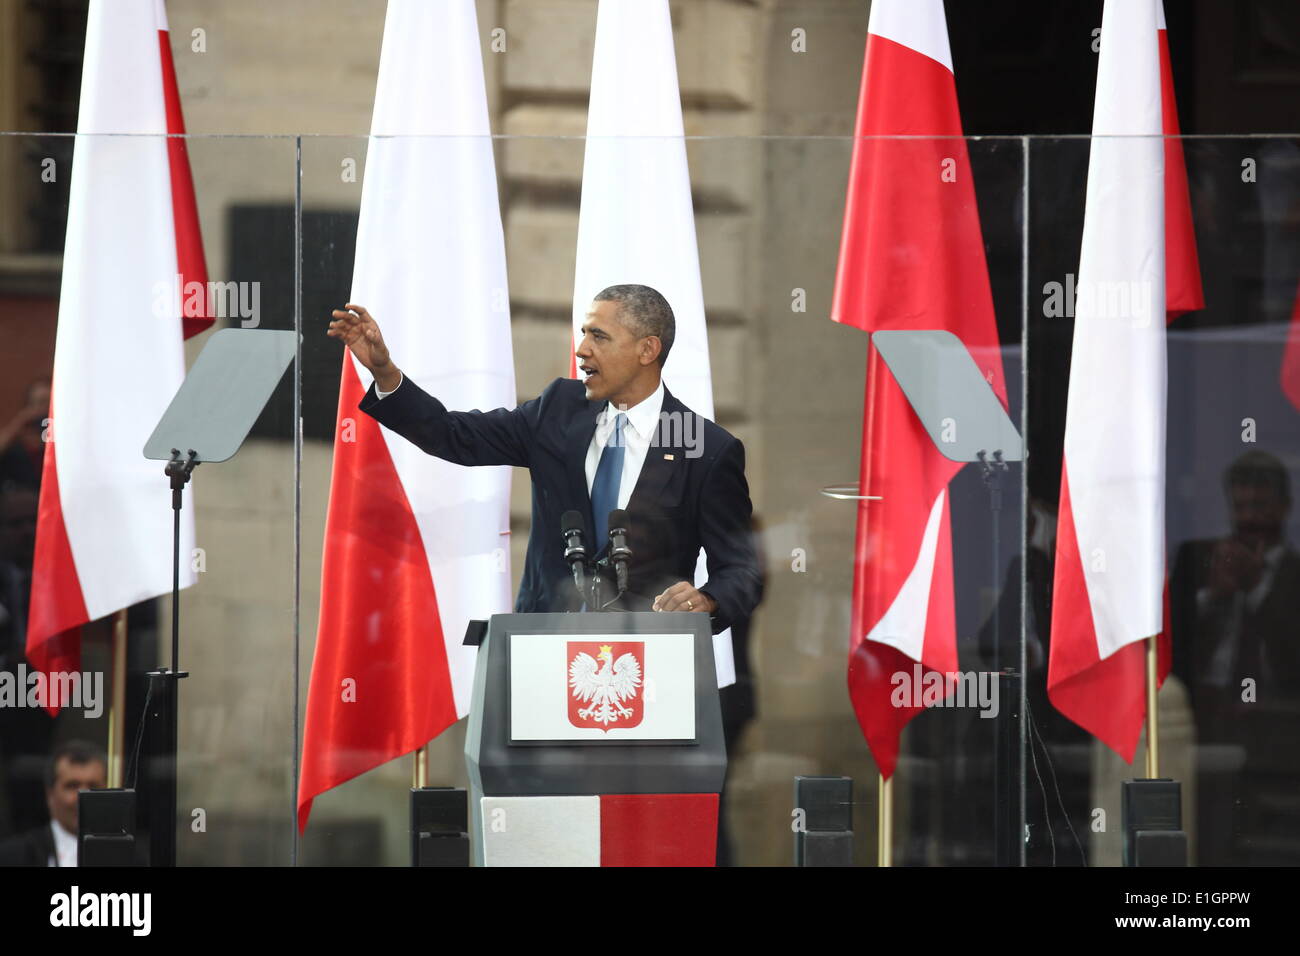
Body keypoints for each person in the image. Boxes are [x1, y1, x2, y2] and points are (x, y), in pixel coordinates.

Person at [327, 284, 762, 631]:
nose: (582, 349)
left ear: (647, 350)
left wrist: (705, 599)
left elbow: (742, 569)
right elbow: (453, 435)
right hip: (542, 657)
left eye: (599, 336)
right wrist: (384, 372)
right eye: (584, 333)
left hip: (641, 677)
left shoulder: (703, 447)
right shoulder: (558, 409)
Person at [0, 740, 106, 867]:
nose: (83, 797)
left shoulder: (132, 857)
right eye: (72, 786)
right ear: (50, 795)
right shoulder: (12, 856)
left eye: (93, 786)